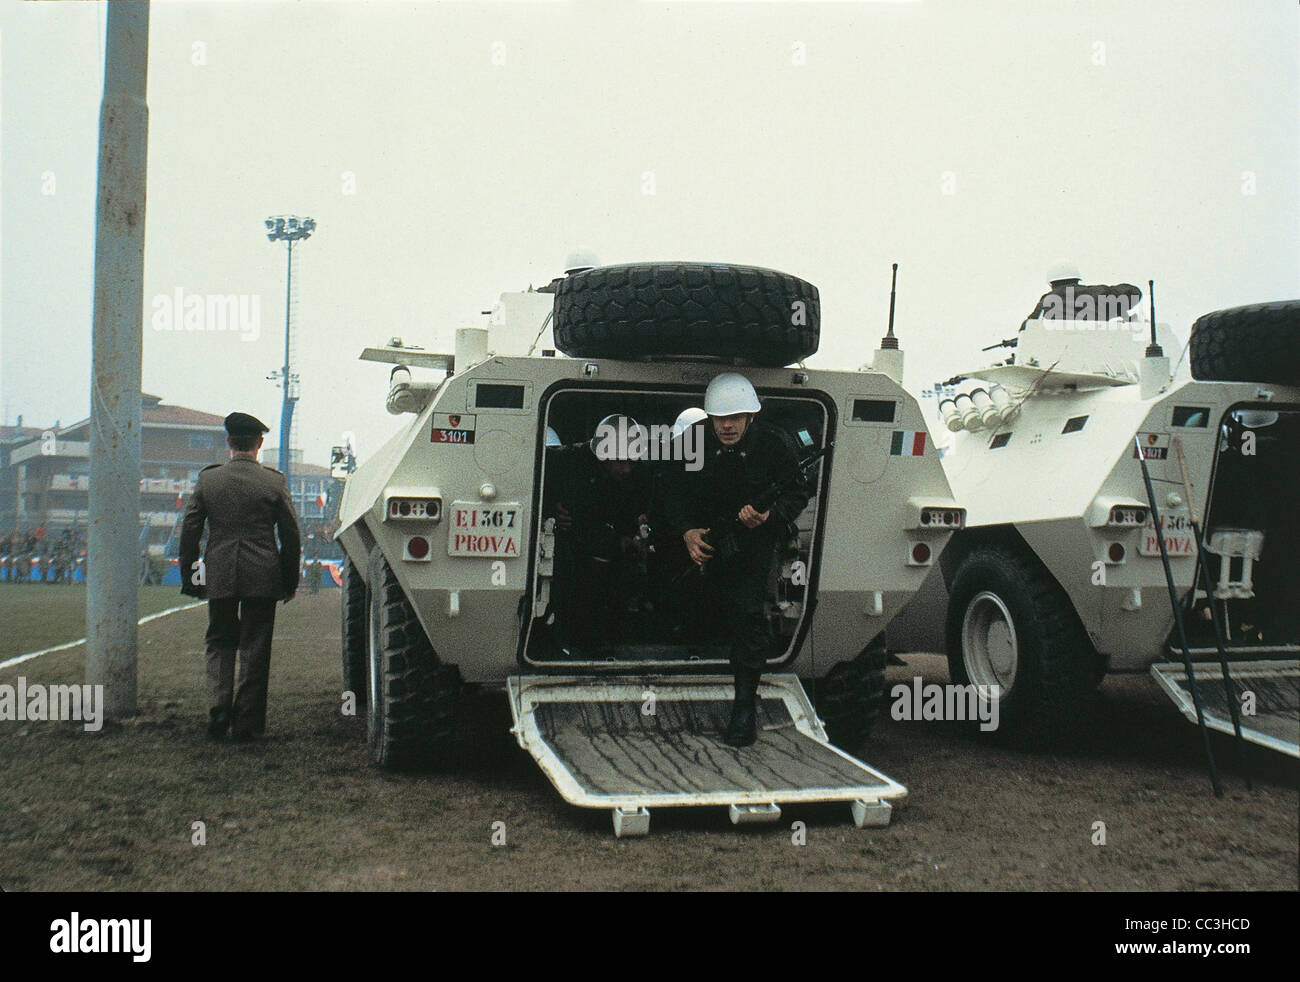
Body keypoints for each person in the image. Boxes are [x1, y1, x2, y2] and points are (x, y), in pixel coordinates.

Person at [664, 373, 812, 747]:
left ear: (751, 417)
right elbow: (670, 490)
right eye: (719, 418)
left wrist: (771, 516)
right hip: (708, 534)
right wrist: (686, 531)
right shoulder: (693, 440)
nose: (726, 426)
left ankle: (744, 705)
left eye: (735, 418)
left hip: (755, 542)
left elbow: (798, 492)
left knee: (750, 616)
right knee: (690, 602)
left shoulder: (774, 445)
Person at [179, 412, 301, 742]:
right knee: (255, 647)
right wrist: (289, 581)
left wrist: (192, 577)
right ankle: (246, 723)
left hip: (218, 573)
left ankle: (218, 711)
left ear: (229, 441)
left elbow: (189, 531)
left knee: (219, 640)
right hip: (263, 575)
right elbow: (291, 535)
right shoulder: (274, 482)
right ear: (260, 444)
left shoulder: (209, 480)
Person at [543, 414, 652, 647]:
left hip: (612, 559)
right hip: (571, 557)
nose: (626, 469)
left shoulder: (637, 477)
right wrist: (550, 511)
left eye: (631, 461)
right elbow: (530, 482)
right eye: (620, 461)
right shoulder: (566, 462)